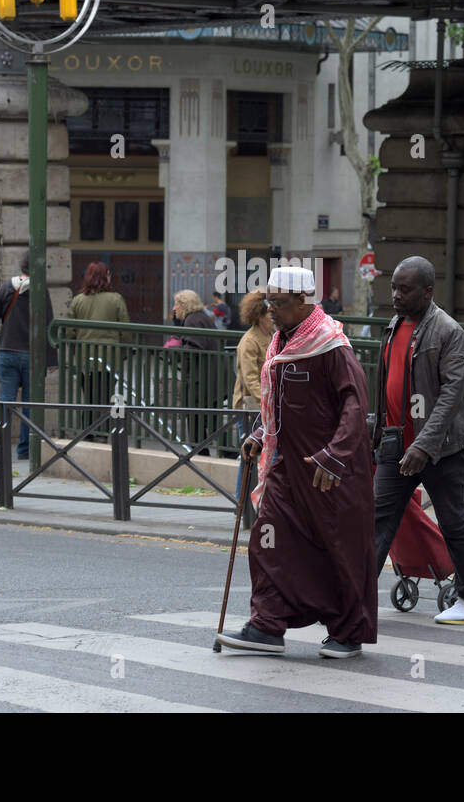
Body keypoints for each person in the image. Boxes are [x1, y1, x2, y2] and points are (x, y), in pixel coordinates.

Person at [217, 265, 377, 658]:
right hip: (286, 472)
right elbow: (277, 408)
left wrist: (335, 455)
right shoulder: (280, 345)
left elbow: (355, 406)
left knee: (337, 552)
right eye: (268, 301)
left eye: (279, 302)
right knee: (267, 542)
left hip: (328, 477)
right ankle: (266, 625)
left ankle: (347, 632)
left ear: (304, 301)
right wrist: (259, 434)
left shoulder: (331, 346)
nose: (271, 309)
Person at [372, 256, 464, 624]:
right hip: (395, 445)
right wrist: (376, 436)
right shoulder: (393, 326)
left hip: (441, 449)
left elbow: (451, 395)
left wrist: (423, 445)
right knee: (376, 521)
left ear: (427, 291)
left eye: (404, 289)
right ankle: (354, 597)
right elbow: (385, 387)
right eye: (393, 287)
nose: (396, 295)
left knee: (454, 522)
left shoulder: (449, 331)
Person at [0, 251, 56, 462]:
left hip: (7, 353)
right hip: (32, 357)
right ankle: (26, 449)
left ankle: (1, 446)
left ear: (21, 266)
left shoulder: (6, 287)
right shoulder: (41, 290)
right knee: (30, 404)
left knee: (6, 401)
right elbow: (48, 325)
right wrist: (52, 360)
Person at [66, 262, 131, 437]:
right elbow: (126, 332)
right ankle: (102, 432)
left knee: (88, 397)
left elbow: (69, 332)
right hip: (110, 359)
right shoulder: (116, 299)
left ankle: (87, 432)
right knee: (105, 397)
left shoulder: (77, 300)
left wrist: (75, 353)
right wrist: (122, 354)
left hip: (84, 360)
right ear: (105, 277)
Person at [231, 289, 274, 501]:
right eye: (269, 314)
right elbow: (250, 379)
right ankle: (242, 501)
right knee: (248, 456)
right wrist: (268, 400)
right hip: (249, 406)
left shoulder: (271, 337)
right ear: (259, 315)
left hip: (263, 404)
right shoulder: (249, 341)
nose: (273, 317)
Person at [174, 289, 222, 455]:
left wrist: (177, 351)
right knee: (210, 422)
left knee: (195, 421)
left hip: (199, 382)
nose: (174, 308)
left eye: (176, 304)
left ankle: (201, 458)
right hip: (211, 379)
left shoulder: (192, 320)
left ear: (184, 305)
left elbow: (193, 349)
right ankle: (219, 452)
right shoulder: (202, 317)